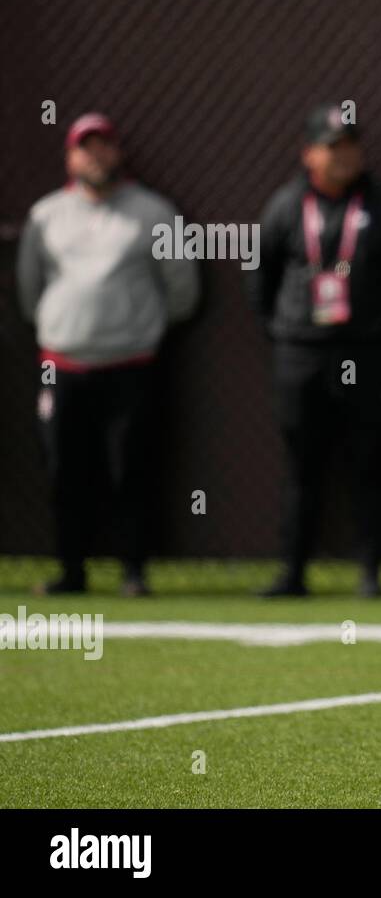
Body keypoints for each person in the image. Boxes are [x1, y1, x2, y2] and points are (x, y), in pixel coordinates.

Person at [17, 112, 200, 597]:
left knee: (131, 470)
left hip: (130, 366)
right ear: (70, 156)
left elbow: (182, 289)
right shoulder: (46, 215)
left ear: (119, 152)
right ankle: (71, 571)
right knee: (64, 471)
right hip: (62, 367)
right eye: (85, 146)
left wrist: (138, 330)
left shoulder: (154, 213)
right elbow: (29, 290)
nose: (95, 155)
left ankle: (134, 572)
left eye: (104, 145)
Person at [248, 103, 381, 598]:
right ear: (309, 154)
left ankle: (371, 572)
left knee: (370, 462)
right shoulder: (285, 206)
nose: (343, 156)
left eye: (350, 146)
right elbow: (260, 284)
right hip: (301, 354)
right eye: (332, 147)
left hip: (366, 354)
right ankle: (292, 572)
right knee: (302, 465)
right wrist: (287, 332)